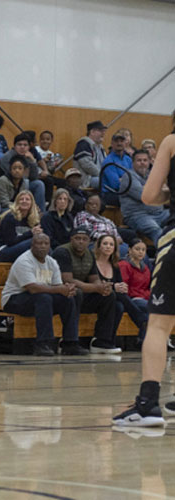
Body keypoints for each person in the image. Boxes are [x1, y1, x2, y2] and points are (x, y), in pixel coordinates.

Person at [112, 109, 175, 428]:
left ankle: (148, 404)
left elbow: (149, 195)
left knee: (159, 325)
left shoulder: (171, 142)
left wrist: (169, 193)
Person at [1, 234, 81, 356]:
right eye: (39, 243)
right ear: (32, 245)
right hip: (14, 299)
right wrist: (60, 289)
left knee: (68, 299)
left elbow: (57, 286)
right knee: (44, 298)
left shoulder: (52, 262)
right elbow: (32, 288)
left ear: (49, 246)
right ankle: (43, 343)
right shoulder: (24, 261)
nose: (43, 246)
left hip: (39, 298)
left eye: (46, 243)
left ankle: (70, 343)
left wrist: (67, 290)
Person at [52, 226, 119, 354]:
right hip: (61, 295)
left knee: (109, 296)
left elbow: (94, 278)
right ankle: (68, 342)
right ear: (71, 239)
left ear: (89, 241)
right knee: (76, 293)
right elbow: (67, 280)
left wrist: (102, 288)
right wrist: (96, 287)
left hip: (82, 294)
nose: (81, 241)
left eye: (84, 239)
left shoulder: (90, 254)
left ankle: (101, 341)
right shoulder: (62, 252)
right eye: (77, 238)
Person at [94, 234, 146, 344]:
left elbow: (120, 284)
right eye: (105, 244)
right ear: (98, 246)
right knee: (116, 296)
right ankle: (142, 321)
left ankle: (109, 341)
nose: (108, 246)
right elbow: (93, 283)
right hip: (95, 297)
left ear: (114, 248)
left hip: (111, 299)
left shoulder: (115, 266)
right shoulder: (93, 263)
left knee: (119, 306)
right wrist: (114, 287)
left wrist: (123, 288)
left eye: (111, 244)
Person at [120, 149, 169, 244]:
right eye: (139, 160)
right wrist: (160, 189)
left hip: (159, 213)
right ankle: (164, 252)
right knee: (156, 231)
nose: (142, 163)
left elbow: (168, 191)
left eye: (145, 160)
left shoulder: (152, 175)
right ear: (133, 162)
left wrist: (151, 189)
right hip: (138, 215)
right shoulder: (128, 177)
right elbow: (144, 196)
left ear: (149, 161)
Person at [0, 135, 46, 209]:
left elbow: (34, 177)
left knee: (39, 184)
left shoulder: (28, 156)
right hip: (8, 186)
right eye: (19, 144)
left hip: (23, 185)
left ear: (29, 147)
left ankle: (39, 212)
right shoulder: (7, 157)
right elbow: (14, 175)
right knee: (26, 182)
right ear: (14, 146)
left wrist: (32, 161)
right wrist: (25, 175)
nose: (22, 147)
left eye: (25, 145)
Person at [0, 191, 42, 263]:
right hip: (3, 250)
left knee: (44, 244)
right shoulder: (10, 217)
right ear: (17, 202)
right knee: (34, 242)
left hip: (22, 250)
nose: (24, 201)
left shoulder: (34, 219)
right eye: (21, 199)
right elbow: (10, 241)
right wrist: (30, 233)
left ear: (32, 203)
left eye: (27, 199)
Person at [119, 238, 151, 344]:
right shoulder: (124, 265)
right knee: (148, 306)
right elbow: (124, 287)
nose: (141, 252)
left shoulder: (145, 268)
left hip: (143, 297)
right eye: (137, 249)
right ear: (129, 250)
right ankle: (144, 340)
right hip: (131, 298)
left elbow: (146, 287)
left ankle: (144, 339)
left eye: (143, 250)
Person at [101, 132, 132, 207]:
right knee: (133, 200)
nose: (119, 143)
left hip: (124, 191)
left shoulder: (128, 159)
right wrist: (126, 180)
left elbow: (134, 177)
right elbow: (116, 184)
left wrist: (122, 179)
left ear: (125, 143)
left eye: (121, 141)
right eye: (116, 141)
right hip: (110, 194)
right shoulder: (108, 161)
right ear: (112, 144)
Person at [74, 120, 108, 189]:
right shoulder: (83, 144)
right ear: (92, 132)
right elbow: (87, 165)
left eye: (104, 131)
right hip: (87, 180)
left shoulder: (100, 147)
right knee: (109, 182)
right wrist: (104, 175)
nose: (103, 133)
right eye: (100, 131)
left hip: (98, 177)